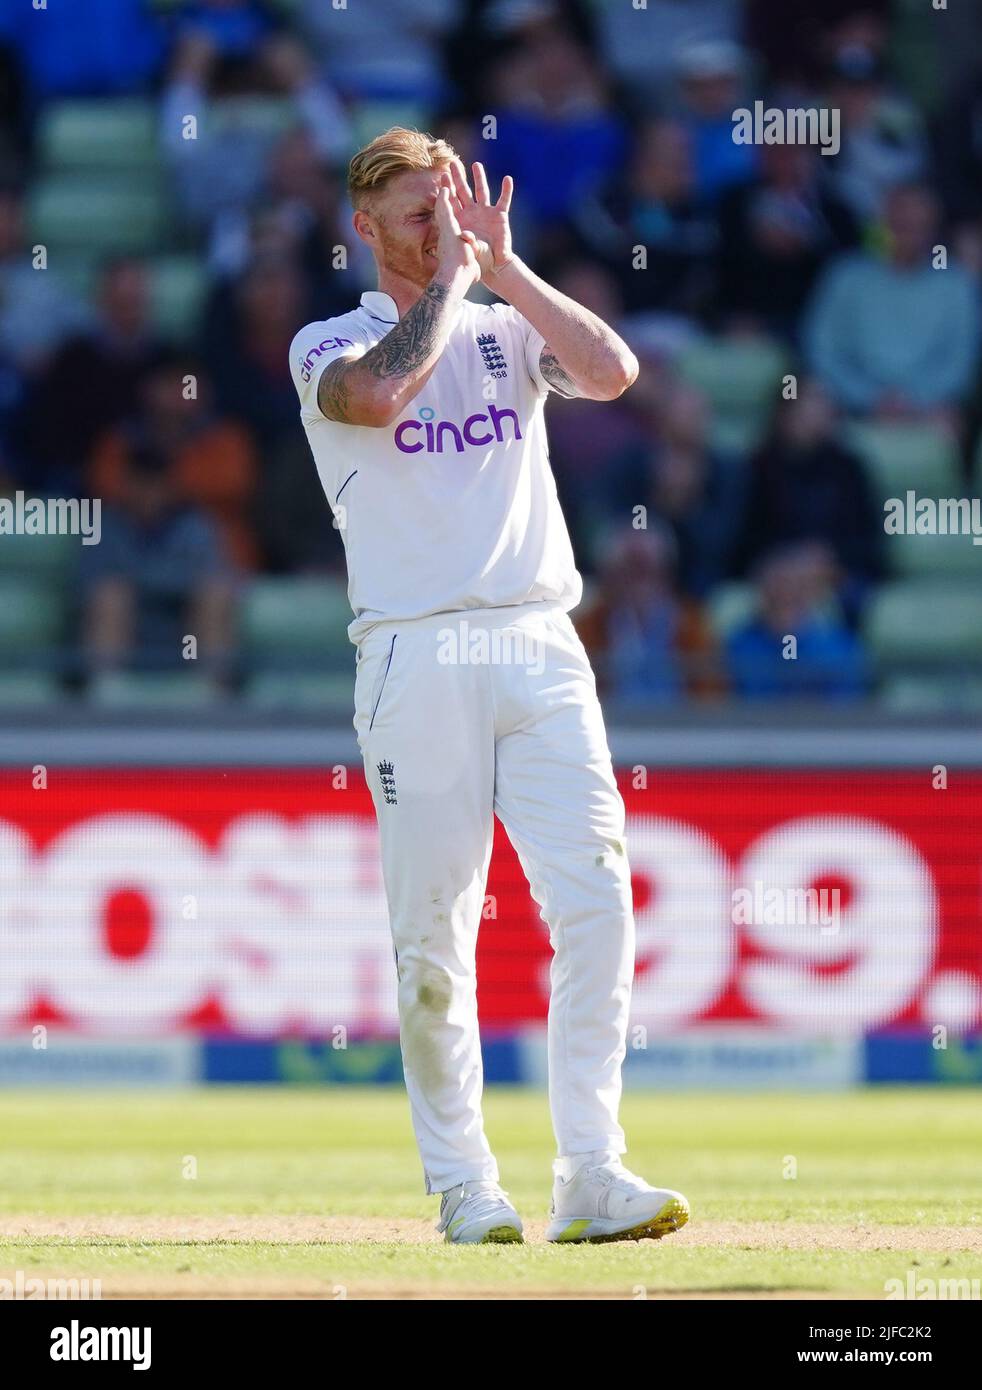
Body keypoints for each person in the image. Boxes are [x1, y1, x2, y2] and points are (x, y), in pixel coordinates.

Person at [289, 127, 689, 1246]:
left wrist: (502, 271)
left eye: (445, 202)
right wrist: (455, 286)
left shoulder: (506, 321)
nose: (436, 225)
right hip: (415, 652)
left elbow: (614, 374)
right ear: (363, 230)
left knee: (597, 901)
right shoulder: (329, 340)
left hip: (538, 636)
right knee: (434, 940)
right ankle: (465, 1182)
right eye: (413, 212)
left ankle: (592, 1172)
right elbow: (375, 399)